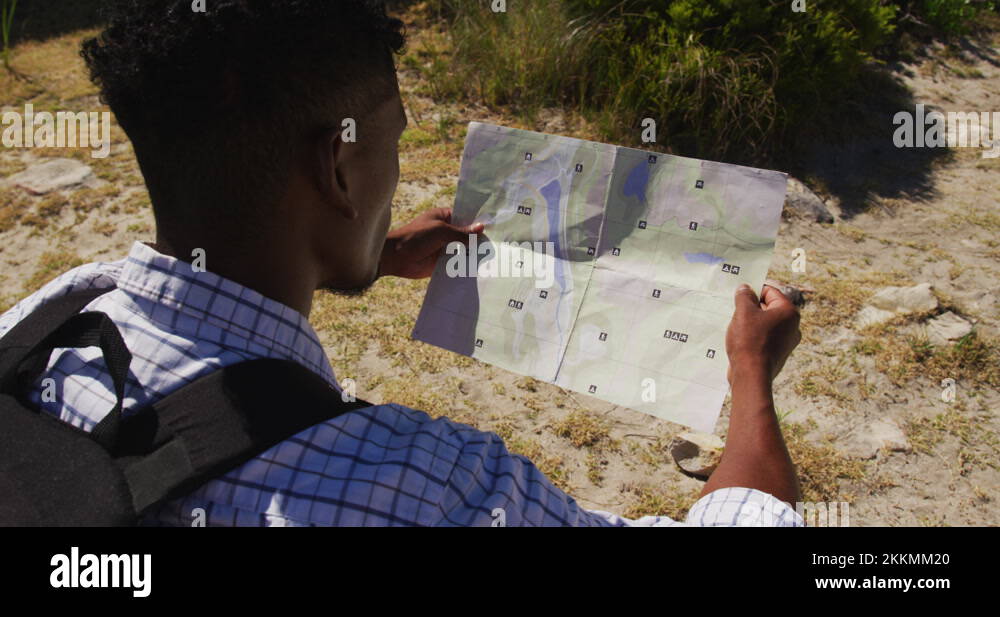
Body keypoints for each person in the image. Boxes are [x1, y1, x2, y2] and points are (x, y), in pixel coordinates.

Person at [0, 0, 803, 526]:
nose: (398, 173)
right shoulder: (433, 489)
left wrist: (369, 256)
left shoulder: (48, 322)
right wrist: (748, 377)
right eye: (394, 139)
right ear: (340, 169)